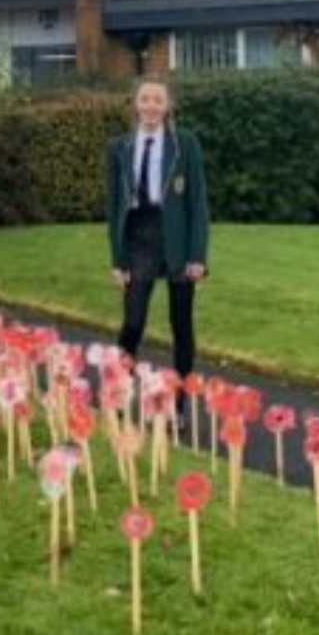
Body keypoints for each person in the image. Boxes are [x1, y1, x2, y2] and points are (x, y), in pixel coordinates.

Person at [106, 75, 210, 413]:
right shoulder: (118, 148)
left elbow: (198, 204)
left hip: (176, 235)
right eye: (145, 99)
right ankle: (119, 392)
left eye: (157, 100)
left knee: (181, 324)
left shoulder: (185, 144)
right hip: (139, 237)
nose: (151, 106)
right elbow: (114, 208)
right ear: (135, 104)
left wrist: (197, 256)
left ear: (168, 107)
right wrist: (118, 261)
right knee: (133, 321)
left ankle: (178, 404)